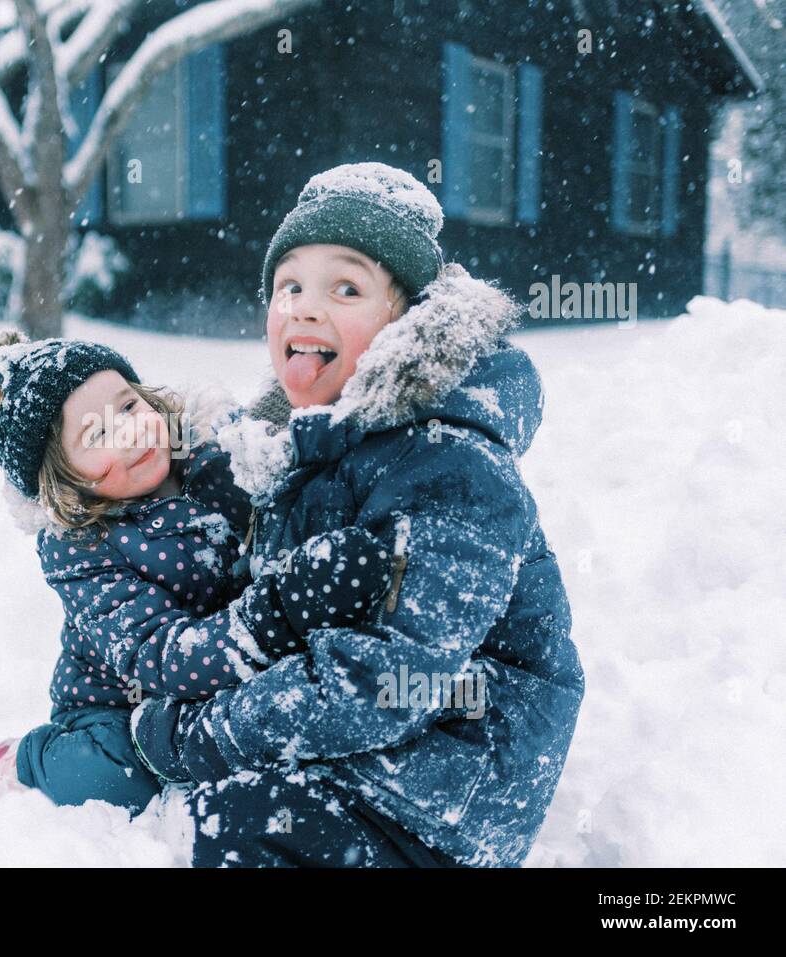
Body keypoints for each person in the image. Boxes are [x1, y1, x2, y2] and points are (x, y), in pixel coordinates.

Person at [130, 162, 587, 867]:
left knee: (221, 826)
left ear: (408, 324)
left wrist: (208, 734)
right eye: (289, 286)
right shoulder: (300, 449)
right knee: (182, 810)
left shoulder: (449, 465)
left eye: (346, 287)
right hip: (371, 749)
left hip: (450, 792)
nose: (306, 308)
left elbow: (384, 681)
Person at [0, 328, 395, 813]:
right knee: (121, 780)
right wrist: (273, 618)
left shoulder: (215, 456)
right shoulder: (82, 550)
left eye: (127, 407)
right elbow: (162, 655)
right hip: (120, 705)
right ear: (63, 479)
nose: (130, 431)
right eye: (98, 434)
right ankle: (23, 763)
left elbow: (288, 468)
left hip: (212, 682)